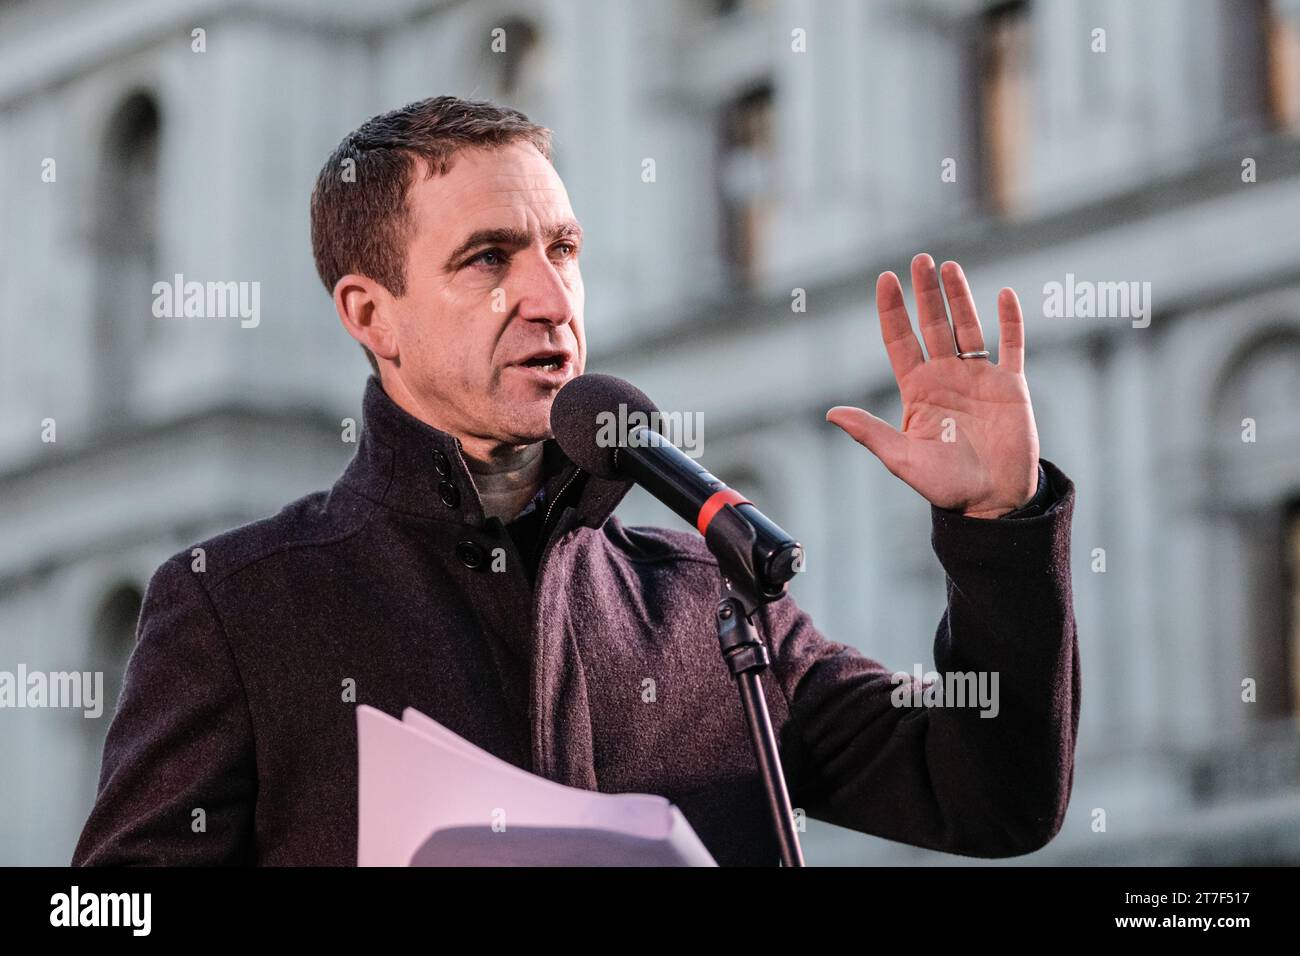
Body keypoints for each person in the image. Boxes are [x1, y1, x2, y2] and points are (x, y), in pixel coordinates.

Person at [73, 96, 1078, 866]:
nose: (550, 298)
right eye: (488, 259)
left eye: (563, 249)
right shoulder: (241, 604)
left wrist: (997, 527)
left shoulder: (706, 597)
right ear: (370, 314)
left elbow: (993, 793)